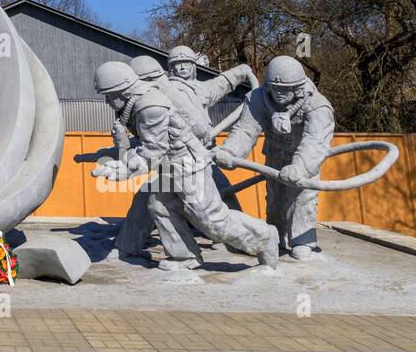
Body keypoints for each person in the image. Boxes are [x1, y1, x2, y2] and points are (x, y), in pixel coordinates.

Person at [94, 61, 279, 271]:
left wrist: (124, 170)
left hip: (188, 165)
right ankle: (184, 256)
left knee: (211, 219)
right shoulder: (133, 105)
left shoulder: (150, 106)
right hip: (170, 166)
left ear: (124, 89)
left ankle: (264, 237)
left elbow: (153, 152)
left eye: (109, 95)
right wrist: (122, 150)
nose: (107, 101)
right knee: (158, 205)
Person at [214, 55, 335, 260]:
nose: (279, 94)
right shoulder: (258, 99)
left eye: (286, 89)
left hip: (305, 159)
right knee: (275, 198)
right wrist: (229, 152)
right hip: (274, 155)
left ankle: (302, 241)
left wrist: (299, 167)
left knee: (303, 197)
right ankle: (275, 236)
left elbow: (315, 142)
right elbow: (245, 130)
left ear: (297, 87)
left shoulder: (317, 105)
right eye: (276, 88)